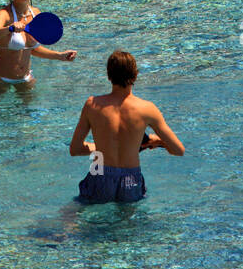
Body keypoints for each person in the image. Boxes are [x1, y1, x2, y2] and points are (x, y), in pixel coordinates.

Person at [68, 50, 184, 203]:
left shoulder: (92, 105)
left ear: (109, 76)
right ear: (135, 75)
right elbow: (178, 150)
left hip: (100, 172)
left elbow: (75, 149)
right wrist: (159, 142)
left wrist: (102, 147)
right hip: (131, 178)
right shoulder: (147, 109)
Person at [0, 0, 76, 88]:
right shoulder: (5, 14)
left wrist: (59, 56)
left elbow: (32, 49)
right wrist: (9, 28)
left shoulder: (36, 14)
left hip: (25, 78)